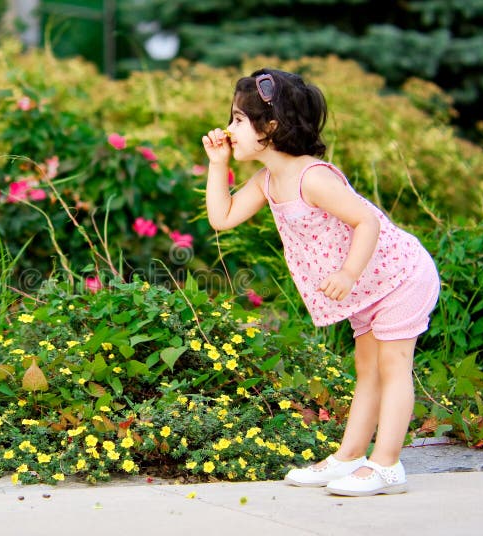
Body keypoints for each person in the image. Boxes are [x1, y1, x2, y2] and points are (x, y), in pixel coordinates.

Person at [202, 68, 440, 497]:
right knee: (366, 369)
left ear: (270, 128)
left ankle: (386, 466)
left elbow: (365, 219)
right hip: (368, 288)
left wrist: (348, 273)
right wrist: (218, 166)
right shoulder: (269, 180)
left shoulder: (314, 177)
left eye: (239, 119)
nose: (229, 129)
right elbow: (222, 218)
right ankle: (349, 457)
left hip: (400, 276)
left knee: (392, 367)